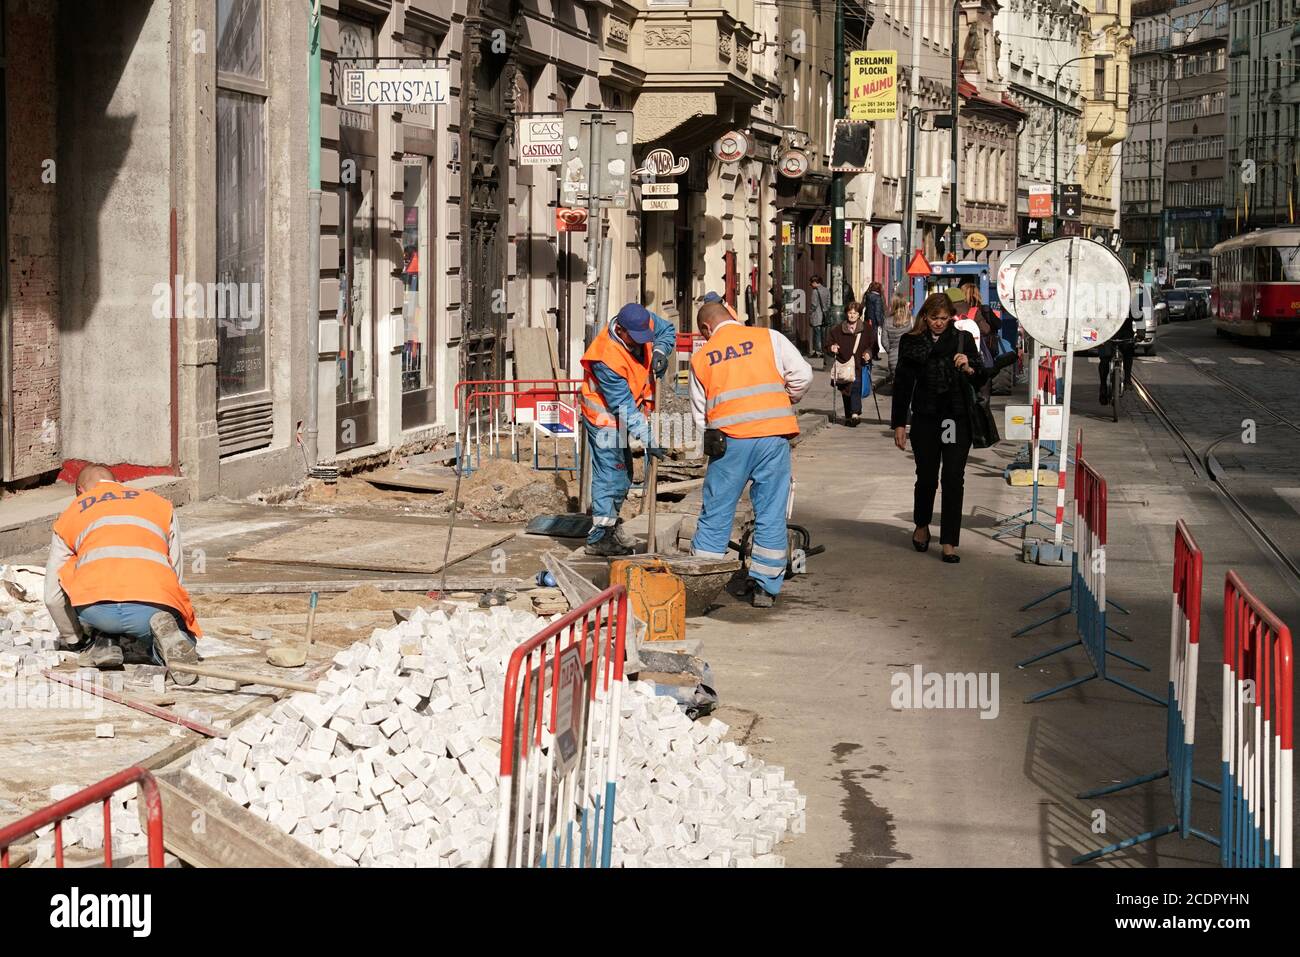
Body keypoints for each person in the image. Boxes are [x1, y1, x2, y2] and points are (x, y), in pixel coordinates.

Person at [689, 301, 813, 608]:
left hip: (730, 442)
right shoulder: (768, 337)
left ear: (706, 328)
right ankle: (765, 588)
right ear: (731, 316)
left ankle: (703, 585)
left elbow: (699, 416)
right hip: (773, 436)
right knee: (771, 511)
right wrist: (786, 398)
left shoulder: (701, 357)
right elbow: (803, 375)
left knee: (717, 512)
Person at [44, 464, 203, 684]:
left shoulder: (71, 513)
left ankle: (101, 642)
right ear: (117, 482)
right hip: (152, 607)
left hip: (95, 609)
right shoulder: (159, 504)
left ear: (80, 490)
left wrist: (75, 640)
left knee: (72, 565)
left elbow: (52, 597)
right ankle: (161, 648)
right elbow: (175, 571)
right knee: (177, 636)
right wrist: (175, 612)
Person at [890, 292, 989, 564]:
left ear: (951, 318)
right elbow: (902, 385)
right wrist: (899, 423)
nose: (939, 323)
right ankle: (921, 525)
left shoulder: (962, 339)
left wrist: (968, 367)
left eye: (944, 318)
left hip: (956, 418)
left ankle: (949, 541)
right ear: (925, 316)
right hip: (926, 417)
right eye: (934, 318)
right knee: (927, 477)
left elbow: (982, 376)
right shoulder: (911, 342)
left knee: (953, 478)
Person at [579, 302, 676, 556]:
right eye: (634, 339)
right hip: (606, 419)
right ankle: (599, 537)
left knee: (623, 475)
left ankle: (610, 527)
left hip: (626, 413)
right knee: (612, 475)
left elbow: (667, 331)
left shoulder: (641, 320)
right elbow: (623, 407)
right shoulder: (606, 358)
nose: (639, 342)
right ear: (620, 330)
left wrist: (661, 353)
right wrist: (649, 439)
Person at [827, 300, 877, 426]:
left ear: (859, 314)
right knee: (845, 390)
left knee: (855, 386)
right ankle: (849, 416)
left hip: (859, 364)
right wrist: (832, 347)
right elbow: (828, 344)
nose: (852, 315)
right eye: (850, 313)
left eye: (855, 313)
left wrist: (868, 353)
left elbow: (874, 345)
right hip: (843, 363)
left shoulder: (867, 329)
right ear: (846, 314)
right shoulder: (838, 330)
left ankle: (855, 413)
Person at [876, 293, 913, 394]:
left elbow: (884, 341)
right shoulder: (910, 320)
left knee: (897, 389)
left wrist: (891, 350)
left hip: (893, 358)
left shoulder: (887, 321)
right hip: (909, 357)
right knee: (908, 388)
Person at [1098, 311, 1136, 405]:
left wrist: (1141, 331)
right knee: (1104, 358)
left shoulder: (1129, 299)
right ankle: (1103, 386)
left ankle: (1127, 379)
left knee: (1128, 352)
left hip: (1125, 332)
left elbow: (1138, 313)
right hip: (1106, 332)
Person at [808, 275, 831, 357]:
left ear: (815, 282)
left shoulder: (815, 291)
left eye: (811, 283)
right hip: (824, 315)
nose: (810, 285)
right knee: (823, 334)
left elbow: (814, 304)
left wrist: (810, 312)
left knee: (817, 334)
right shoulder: (826, 290)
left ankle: (818, 351)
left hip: (817, 315)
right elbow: (828, 303)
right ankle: (823, 351)